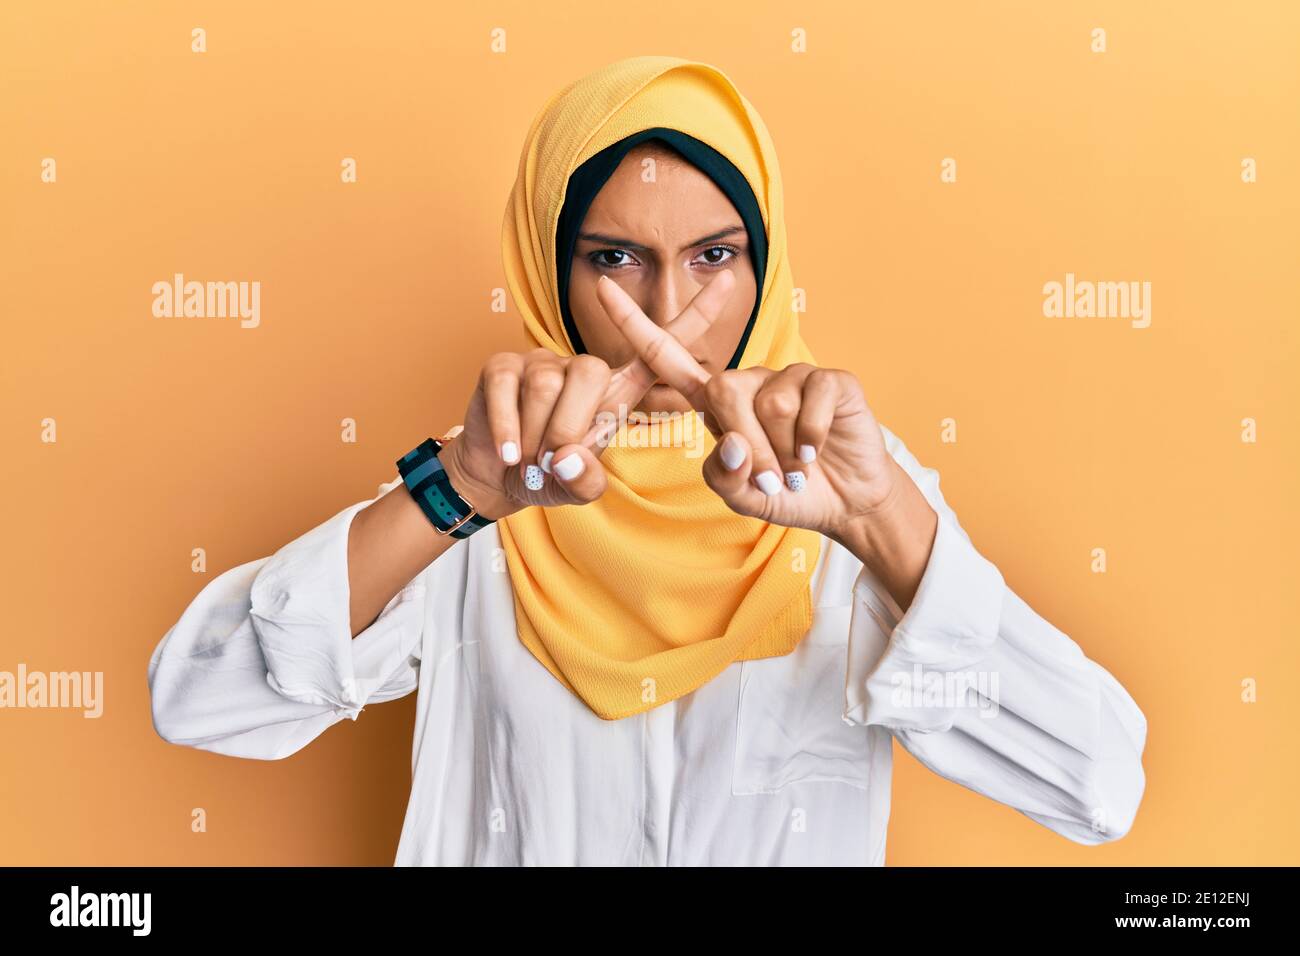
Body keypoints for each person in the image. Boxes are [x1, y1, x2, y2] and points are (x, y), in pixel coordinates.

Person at [147, 55, 1148, 866]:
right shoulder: (490, 489)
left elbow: (1097, 781)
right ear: (550, 268)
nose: (670, 313)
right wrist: (460, 488)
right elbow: (197, 698)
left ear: (767, 265)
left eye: (715, 254)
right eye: (614, 257)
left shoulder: (853, 489)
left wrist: (876, 524)